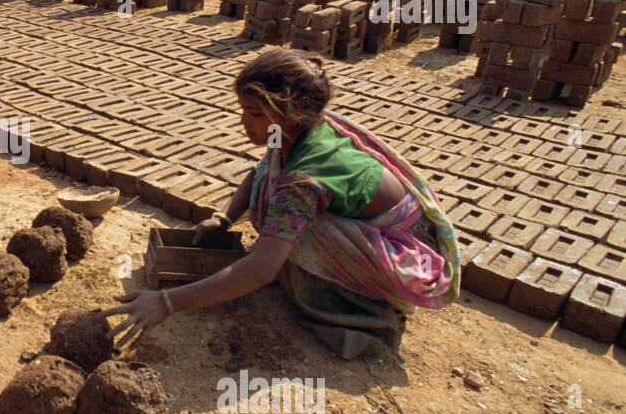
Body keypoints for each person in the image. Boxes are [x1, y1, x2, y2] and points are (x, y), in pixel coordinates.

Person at [107, 48, 460, 359]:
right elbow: (260, 171)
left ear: (291, 112)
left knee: (290, 228)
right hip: (369, 224)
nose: (244, 123)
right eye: (244, 110)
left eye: (256, 114)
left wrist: (167, 303)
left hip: (405, 253)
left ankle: (363, 312)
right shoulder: (295, 132)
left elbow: (261, 269)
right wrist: (225, 218)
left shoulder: (305, 177)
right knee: (274, 193)